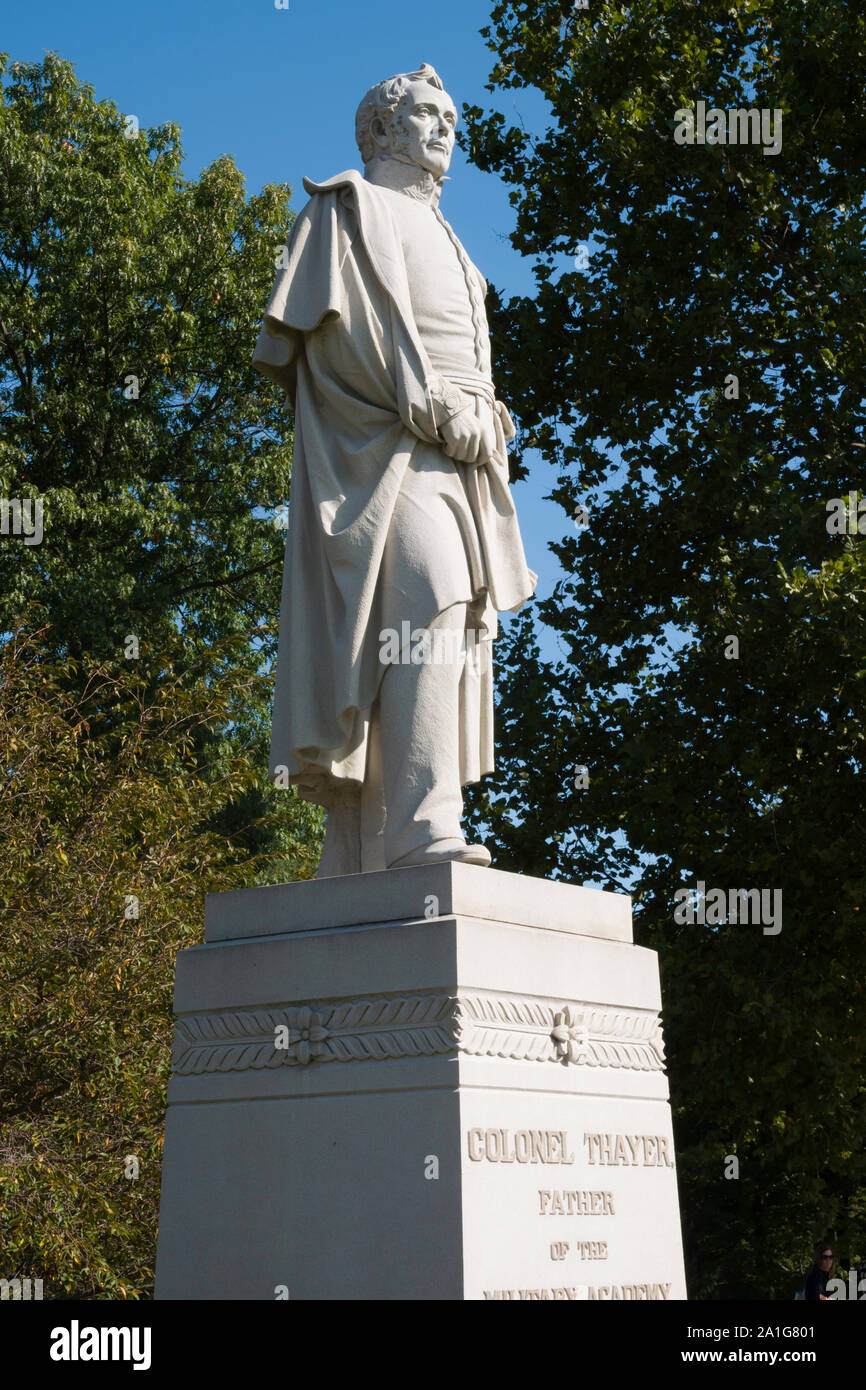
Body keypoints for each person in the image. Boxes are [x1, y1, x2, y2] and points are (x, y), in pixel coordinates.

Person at [253, 64, 536, 875]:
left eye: (450, 116)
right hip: (386, 451)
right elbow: (342, 341)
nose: (445, 128)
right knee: (430, 598)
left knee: (444, 626)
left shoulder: (449, 234)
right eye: (424, 114)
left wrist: (487, 420)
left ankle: (357, 850)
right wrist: (441, 407)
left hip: (461, 461)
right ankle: (421, 829)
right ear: (378, 130)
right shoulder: (346, 210)